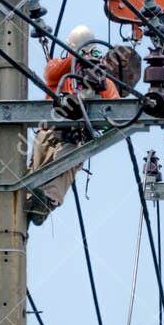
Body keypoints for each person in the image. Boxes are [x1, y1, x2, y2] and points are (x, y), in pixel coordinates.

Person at [25, 25, 120, 225]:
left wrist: (96, 81)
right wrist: (77, 57)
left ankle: (46, 202)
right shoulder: (59, 71)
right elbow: (51, 72)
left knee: (67, 161)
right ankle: (27, 201)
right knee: (36, 167)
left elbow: (118, 113)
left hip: (76, 139)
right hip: (49, 132)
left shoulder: (103, 81)